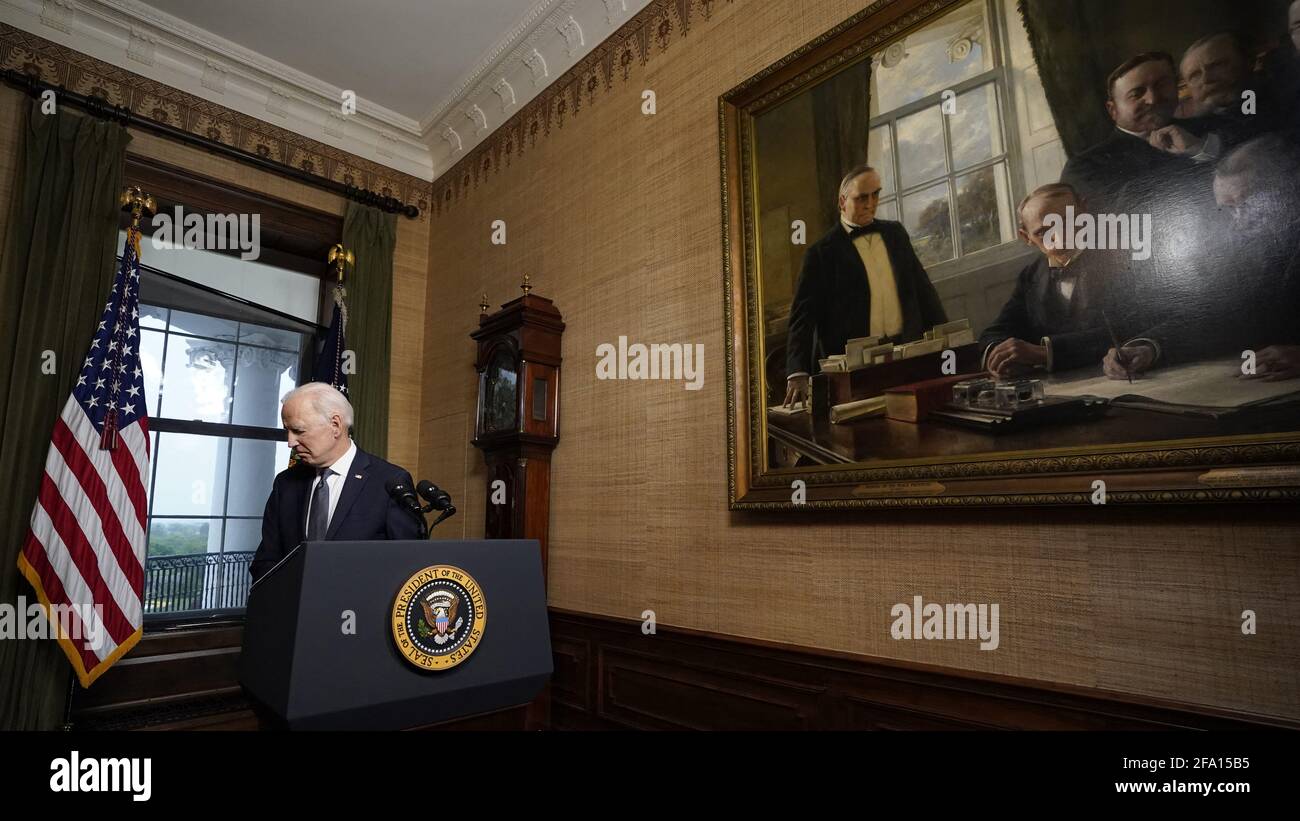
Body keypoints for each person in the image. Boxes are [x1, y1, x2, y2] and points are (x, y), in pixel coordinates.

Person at [1102, 135, 1300, 380]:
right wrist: (1149, 347)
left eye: (1248, 202)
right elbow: (1217, 317)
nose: (1240, 219)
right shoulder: (1247, 249)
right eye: (1229, 208)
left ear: (1288, 187)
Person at [783, 165, 947, 407]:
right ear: (842, 201)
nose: (870, 204)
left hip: (907, 356)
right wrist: (797, 371)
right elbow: (802, 318)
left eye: (875, 195)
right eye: (862, 198)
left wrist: (948, 341)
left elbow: (922, 291)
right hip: (853, 371)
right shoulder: (820, 254)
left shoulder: (895, 234)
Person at [249, 382, 423, 583]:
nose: (290, 442)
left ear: (335, 425)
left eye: (298, 431)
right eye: (287, 431)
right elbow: (266, 561)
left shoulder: (389, 482)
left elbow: (407, 566)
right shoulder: (285, 483)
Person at [978, 183, 1135, 377]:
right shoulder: (1031, 275)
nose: (1060, 239)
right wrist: (1001, 356)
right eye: (1043, 232)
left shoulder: (1123, 257)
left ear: (1084, 209)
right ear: (1026, 237)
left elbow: (1132, 326)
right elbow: (995, 332)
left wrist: (1046, 353)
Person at [1061, 52, 1220, 214]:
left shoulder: (1209, 128)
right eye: (1136, 94)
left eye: (1161, 85)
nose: (1153, 99)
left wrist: (1199, 150)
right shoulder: (1084, 167)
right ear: (1113, 110)